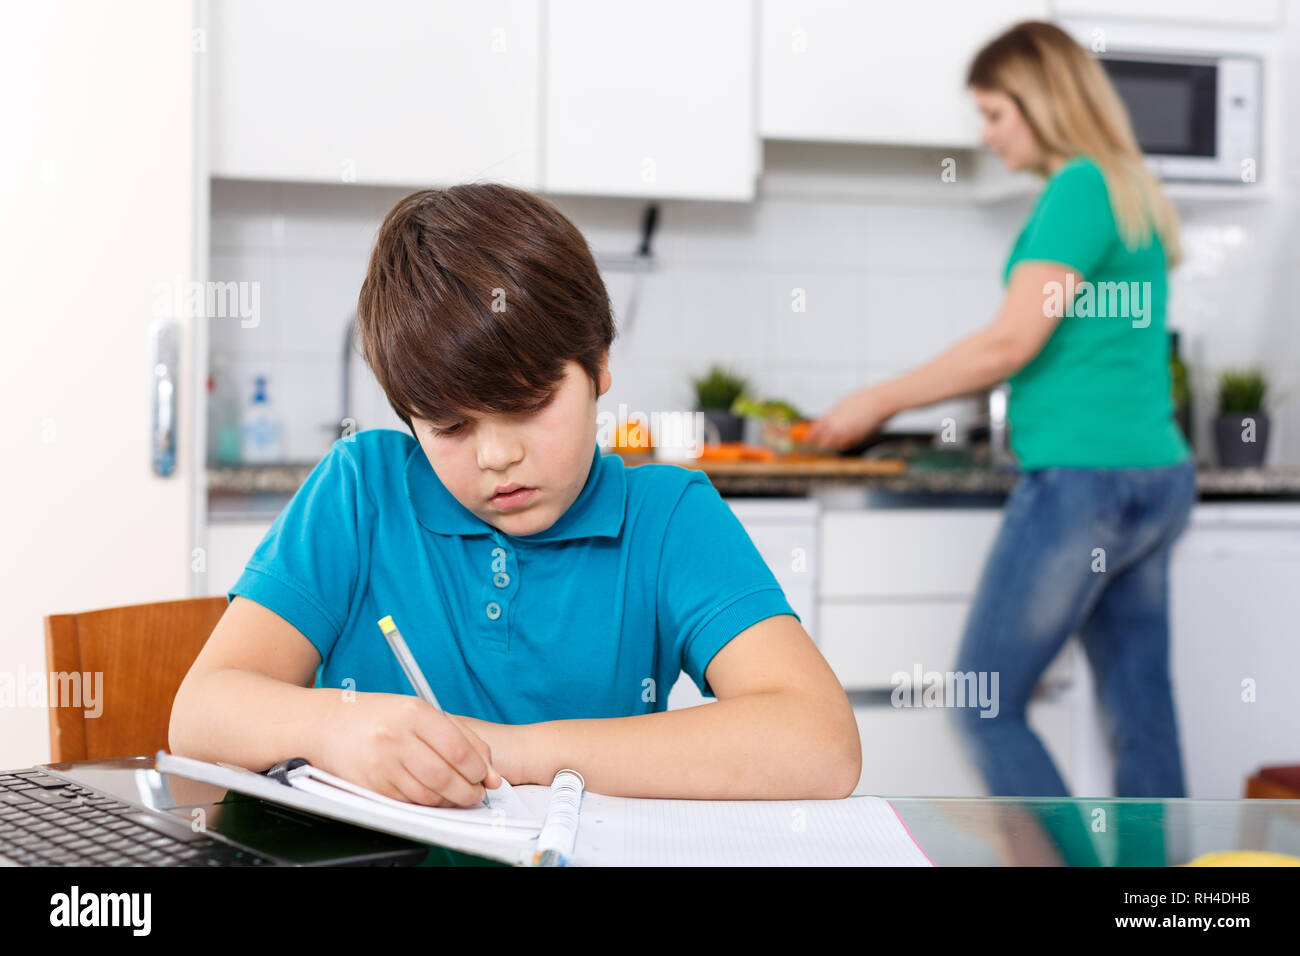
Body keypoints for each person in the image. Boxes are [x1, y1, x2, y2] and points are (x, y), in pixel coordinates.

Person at [171, 183, 861, 806]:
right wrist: (337, 729)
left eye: (529, 404)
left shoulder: (669, 518)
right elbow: (200, 713)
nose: (497, 457)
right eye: (449, 426)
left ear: (599, 363)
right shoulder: (360, 492)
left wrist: (516, 752)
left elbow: (821, 744)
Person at [805, 21, 1194, 797]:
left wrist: (874, 401)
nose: (985, 135)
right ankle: (1169, 908)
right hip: (1156, 474)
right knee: (1142, 706)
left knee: (984, 708)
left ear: (1042, 101)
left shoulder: (1079, 187)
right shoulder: (1130, 185)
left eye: (993, 113)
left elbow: (1010, 343)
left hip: (1086, 484)